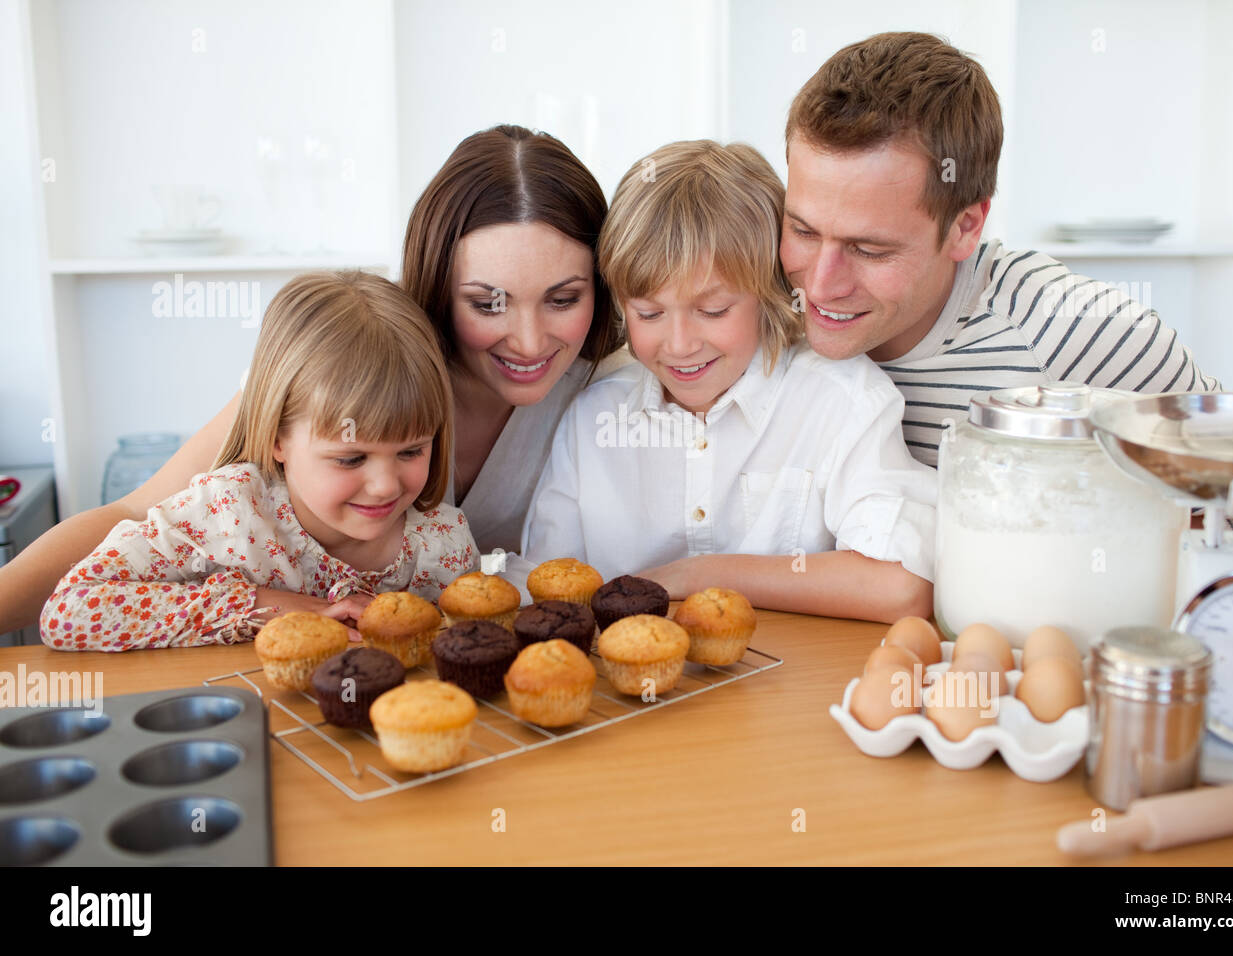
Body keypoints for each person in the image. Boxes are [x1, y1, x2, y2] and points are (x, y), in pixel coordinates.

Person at [0, 125, 624, 636]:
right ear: (437, 281)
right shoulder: (354, 364)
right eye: (488, 303)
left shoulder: (611, 393)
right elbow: (131, 514)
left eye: (563, 298)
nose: (530, 339)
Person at [521, 141, 936, 623]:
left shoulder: (840, 400)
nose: (678, 344)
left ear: (769, 293)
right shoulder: (594, 420)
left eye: (712, 310)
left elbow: (904, 586)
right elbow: (545, 590)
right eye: (649, 312)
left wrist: (701, 574)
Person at [781, 34, 1224, 461]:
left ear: (965, 227)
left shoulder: (1079, 332)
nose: (821, 285)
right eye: (803, 231)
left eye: (869, 249)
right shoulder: (747, 307)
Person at [41, 272, 477, 651]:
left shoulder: (444, 548)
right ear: (276, 439)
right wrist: (268, 606)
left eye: (411, 451)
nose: (385, 485)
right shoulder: (225, 515)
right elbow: (71, 609)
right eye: (350, 458)